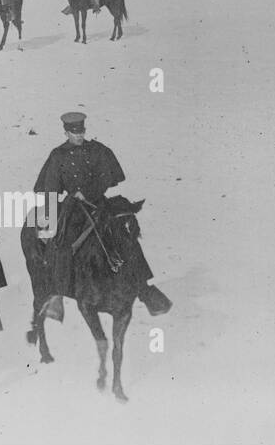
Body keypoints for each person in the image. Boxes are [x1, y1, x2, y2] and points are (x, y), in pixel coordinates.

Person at [33, 112, 171, 320]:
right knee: (60, 243)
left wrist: (87, 192)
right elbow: (50, 189)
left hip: (98, 203)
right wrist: (50, 218)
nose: (78, 136)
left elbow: (107, 177)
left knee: (126, 236)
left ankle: (144, 289)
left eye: (81, 132)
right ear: (66, 132)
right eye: (73, 133)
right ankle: (57, 295)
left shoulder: (97, 150)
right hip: (73, 209)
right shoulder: (58, 155)